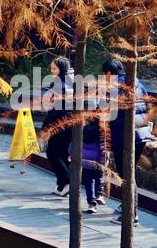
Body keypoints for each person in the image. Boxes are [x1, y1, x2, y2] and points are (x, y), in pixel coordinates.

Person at [102, 58, 149, 224]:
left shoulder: (115, 87)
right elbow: (147, 106)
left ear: (109, 73)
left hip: (125, 136)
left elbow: (109, 113)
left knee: (127, 176)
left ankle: (131, 214)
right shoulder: (136, 82)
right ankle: (127, 205)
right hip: (141, 135)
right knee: (129, 174)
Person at [40, 56, 74, 197]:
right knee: (64, 153)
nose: (52, 71)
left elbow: (55, 110)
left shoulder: (59, 85)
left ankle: (66, 181)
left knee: (53, 153)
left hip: (60, 122)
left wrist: (46, 127)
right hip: (72, 121)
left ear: (61, 69)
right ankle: (62, 186)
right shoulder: (73, 82)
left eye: (54, 68)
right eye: (51, 68)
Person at [80, 116, 108, 214]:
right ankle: (99, 195)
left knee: (89, 183)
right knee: (99, 177)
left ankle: (91, 204)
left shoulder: (84, 129)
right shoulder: (103, 131)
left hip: (86, 161)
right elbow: (105, 147)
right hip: (98, 160)